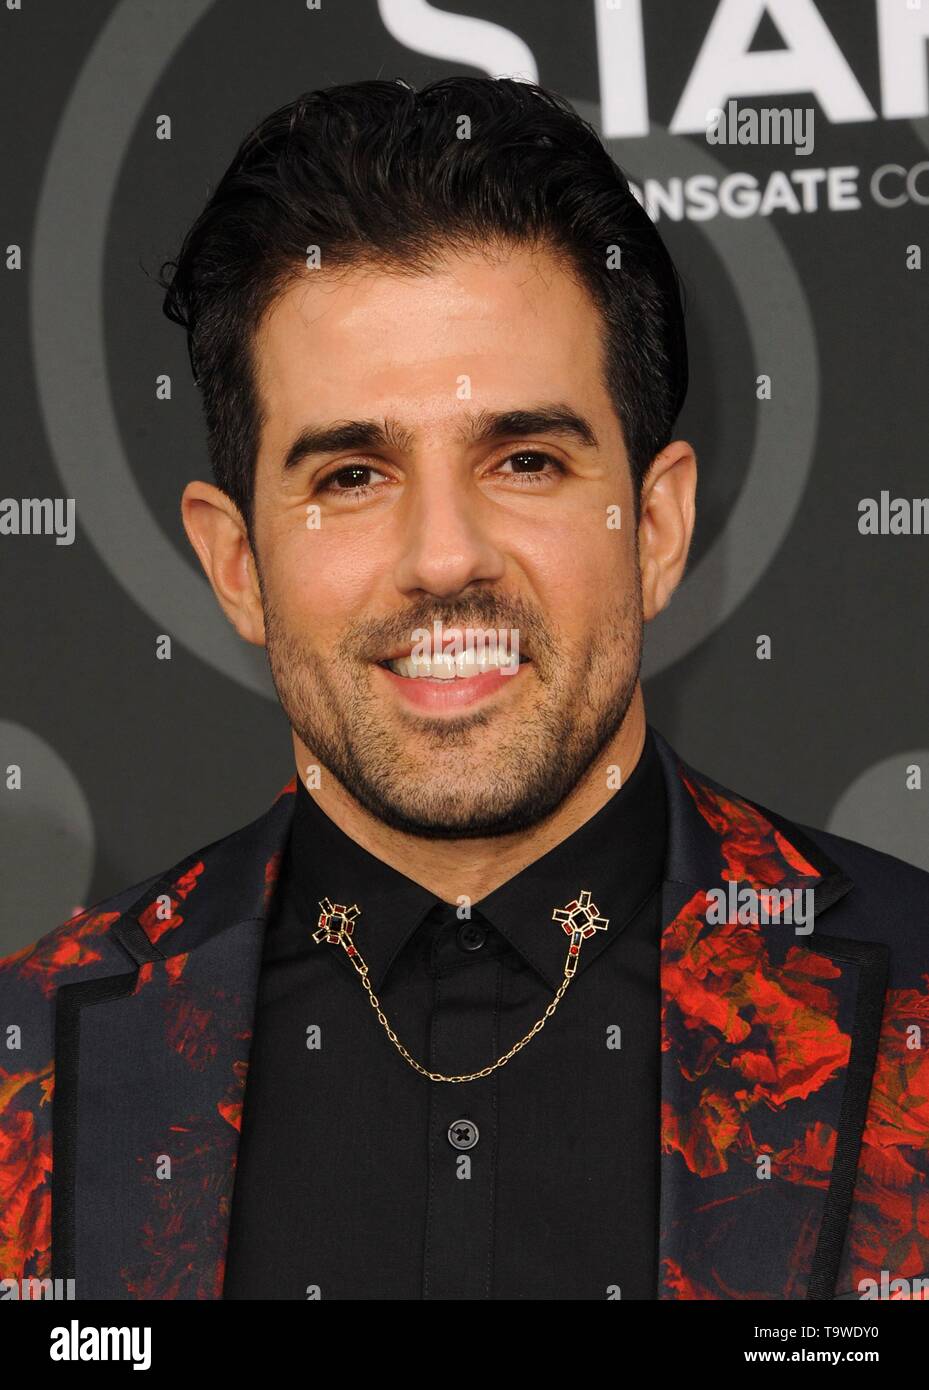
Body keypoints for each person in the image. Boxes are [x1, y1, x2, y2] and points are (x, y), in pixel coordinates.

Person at [2, 77, 927, 1303]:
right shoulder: (29, 1063)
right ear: (237, 563)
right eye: (351, 476)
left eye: (526, 460)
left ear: (653, 527)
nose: (444, 556)